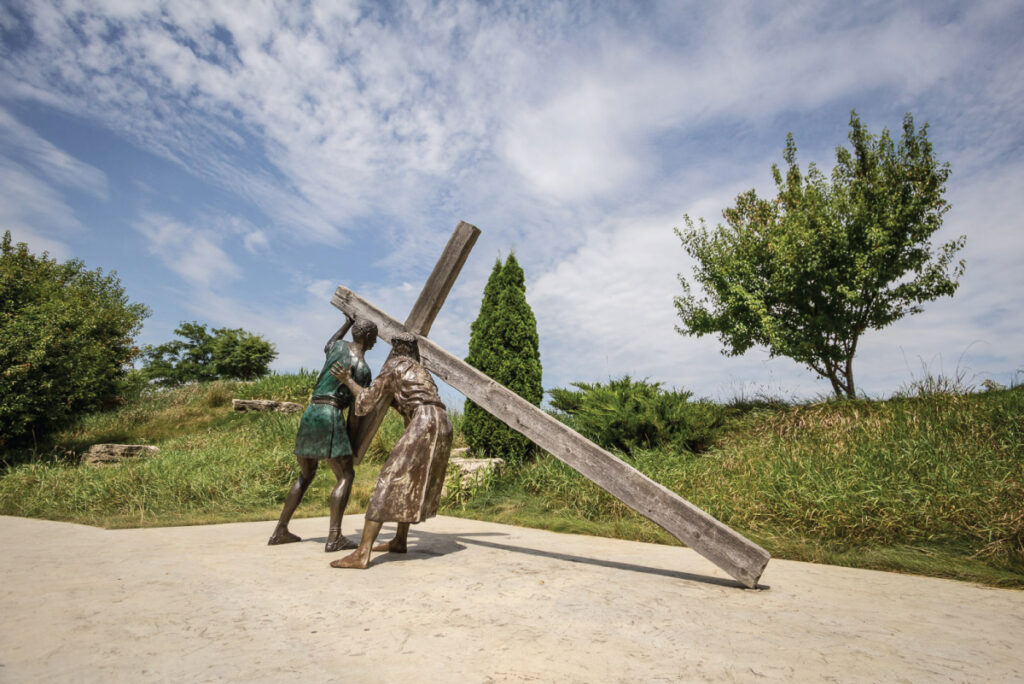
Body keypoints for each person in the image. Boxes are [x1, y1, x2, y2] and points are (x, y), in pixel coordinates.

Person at [327, 332, 453, 569]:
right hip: (444, 421)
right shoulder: (420, 371)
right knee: (410, 482)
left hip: (424, 421)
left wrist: (348, 381)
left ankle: (362, 554)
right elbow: (410, 400)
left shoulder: (394, 365)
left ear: (397, 349)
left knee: (388, 479)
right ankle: (399, 540)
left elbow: (365, 402)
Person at [267, 315, 377, 552]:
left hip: (311, 413)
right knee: (346, 475)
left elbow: (330, 342)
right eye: (375, 337)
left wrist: (347, 322)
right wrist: (353, 440)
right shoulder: (363, 370)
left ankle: (280, 530)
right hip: (330, 415)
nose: (376, 342)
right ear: (367, 337)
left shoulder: (337, 347)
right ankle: (335, 537)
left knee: (305, 476)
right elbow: (360, 408)